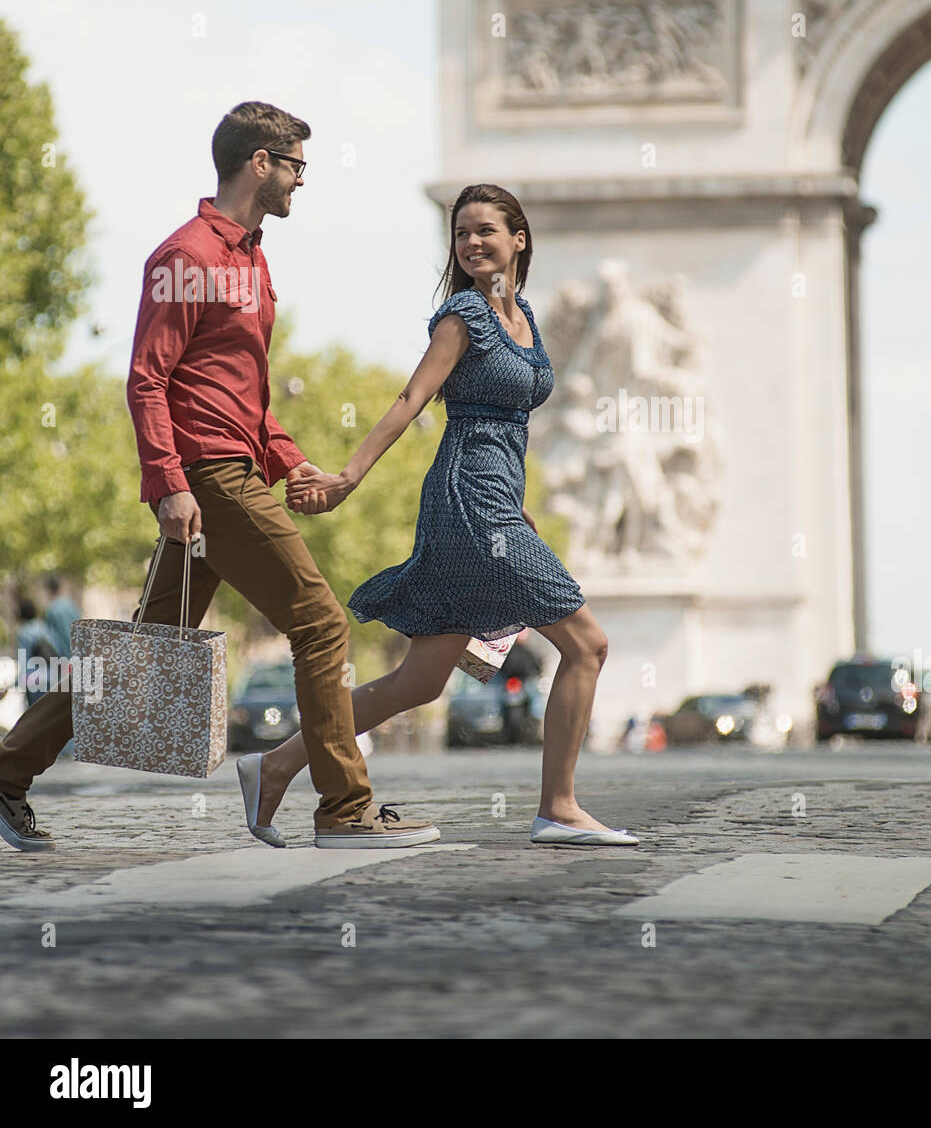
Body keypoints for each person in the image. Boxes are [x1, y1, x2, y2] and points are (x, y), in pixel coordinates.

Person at [0, 101, 437, 854]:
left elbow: (247, 395)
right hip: (207, 478)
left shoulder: (254, 260)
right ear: (259, 162)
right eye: (296, 165)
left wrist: (293, 462)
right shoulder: (187, 257)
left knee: (139, 652)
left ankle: (5, 772)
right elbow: (147, 379)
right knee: (321, 622)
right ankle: (344, 806)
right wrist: (169, 482)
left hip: (237, 471)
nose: (303, 180)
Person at [250, 183, 637, 847]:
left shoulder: (525, 318)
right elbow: (410, 399)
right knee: (587, 644)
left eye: (485, 229)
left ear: (519, 238)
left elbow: (508, 427)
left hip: (494, 502)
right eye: (461, 233)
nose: (472, 242)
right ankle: (559, 806)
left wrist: (519, 505)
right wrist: (346, 477)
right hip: (469, 504)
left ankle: (275, 764)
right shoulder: (463, 314)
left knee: (419, 682)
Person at [41, 575, 79, 660]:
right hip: (77, 653)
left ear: (48, 590)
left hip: (61, 658)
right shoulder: (71, 604)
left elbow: (50, 638)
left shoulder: (51, 609)